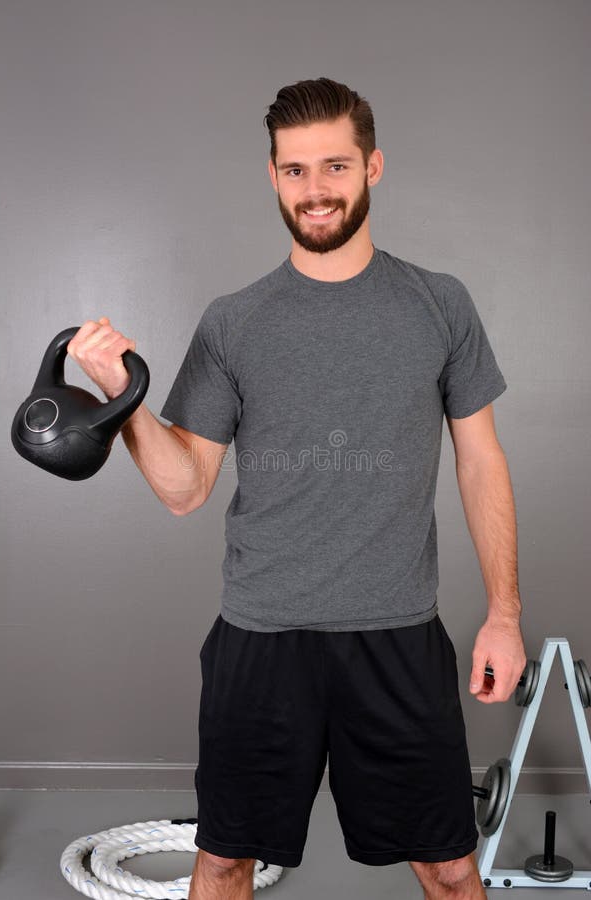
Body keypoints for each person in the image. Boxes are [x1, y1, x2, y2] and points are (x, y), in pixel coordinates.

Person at [68, 77, 526, 900]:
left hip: (397, 637)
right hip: (261, 638)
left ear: (373, 168)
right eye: (295, 171)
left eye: (335, 167)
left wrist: (503, 615)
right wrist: (121, 400)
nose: (315, 190)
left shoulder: (439, 303)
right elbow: (185, 488)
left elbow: (481, 461)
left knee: (453, 871)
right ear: (273, 177)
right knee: (223, 863)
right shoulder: (234, 321)